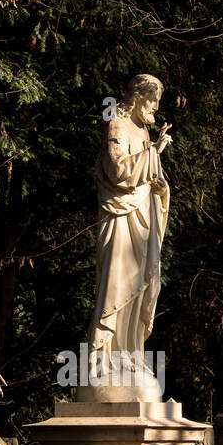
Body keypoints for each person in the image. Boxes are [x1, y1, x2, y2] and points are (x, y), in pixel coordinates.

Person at [78, 73, 172, 401]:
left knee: (141, 288)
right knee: (115, 287)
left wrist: (161, 187)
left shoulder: (144, 130)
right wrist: (154, 153)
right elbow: (118, 172)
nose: (155, 109)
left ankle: (130, 356)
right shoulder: (116, 126)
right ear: (136, 97)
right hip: (120, 220)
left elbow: (150, 179)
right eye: (152, 101)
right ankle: (104, 359)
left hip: (143, 217)